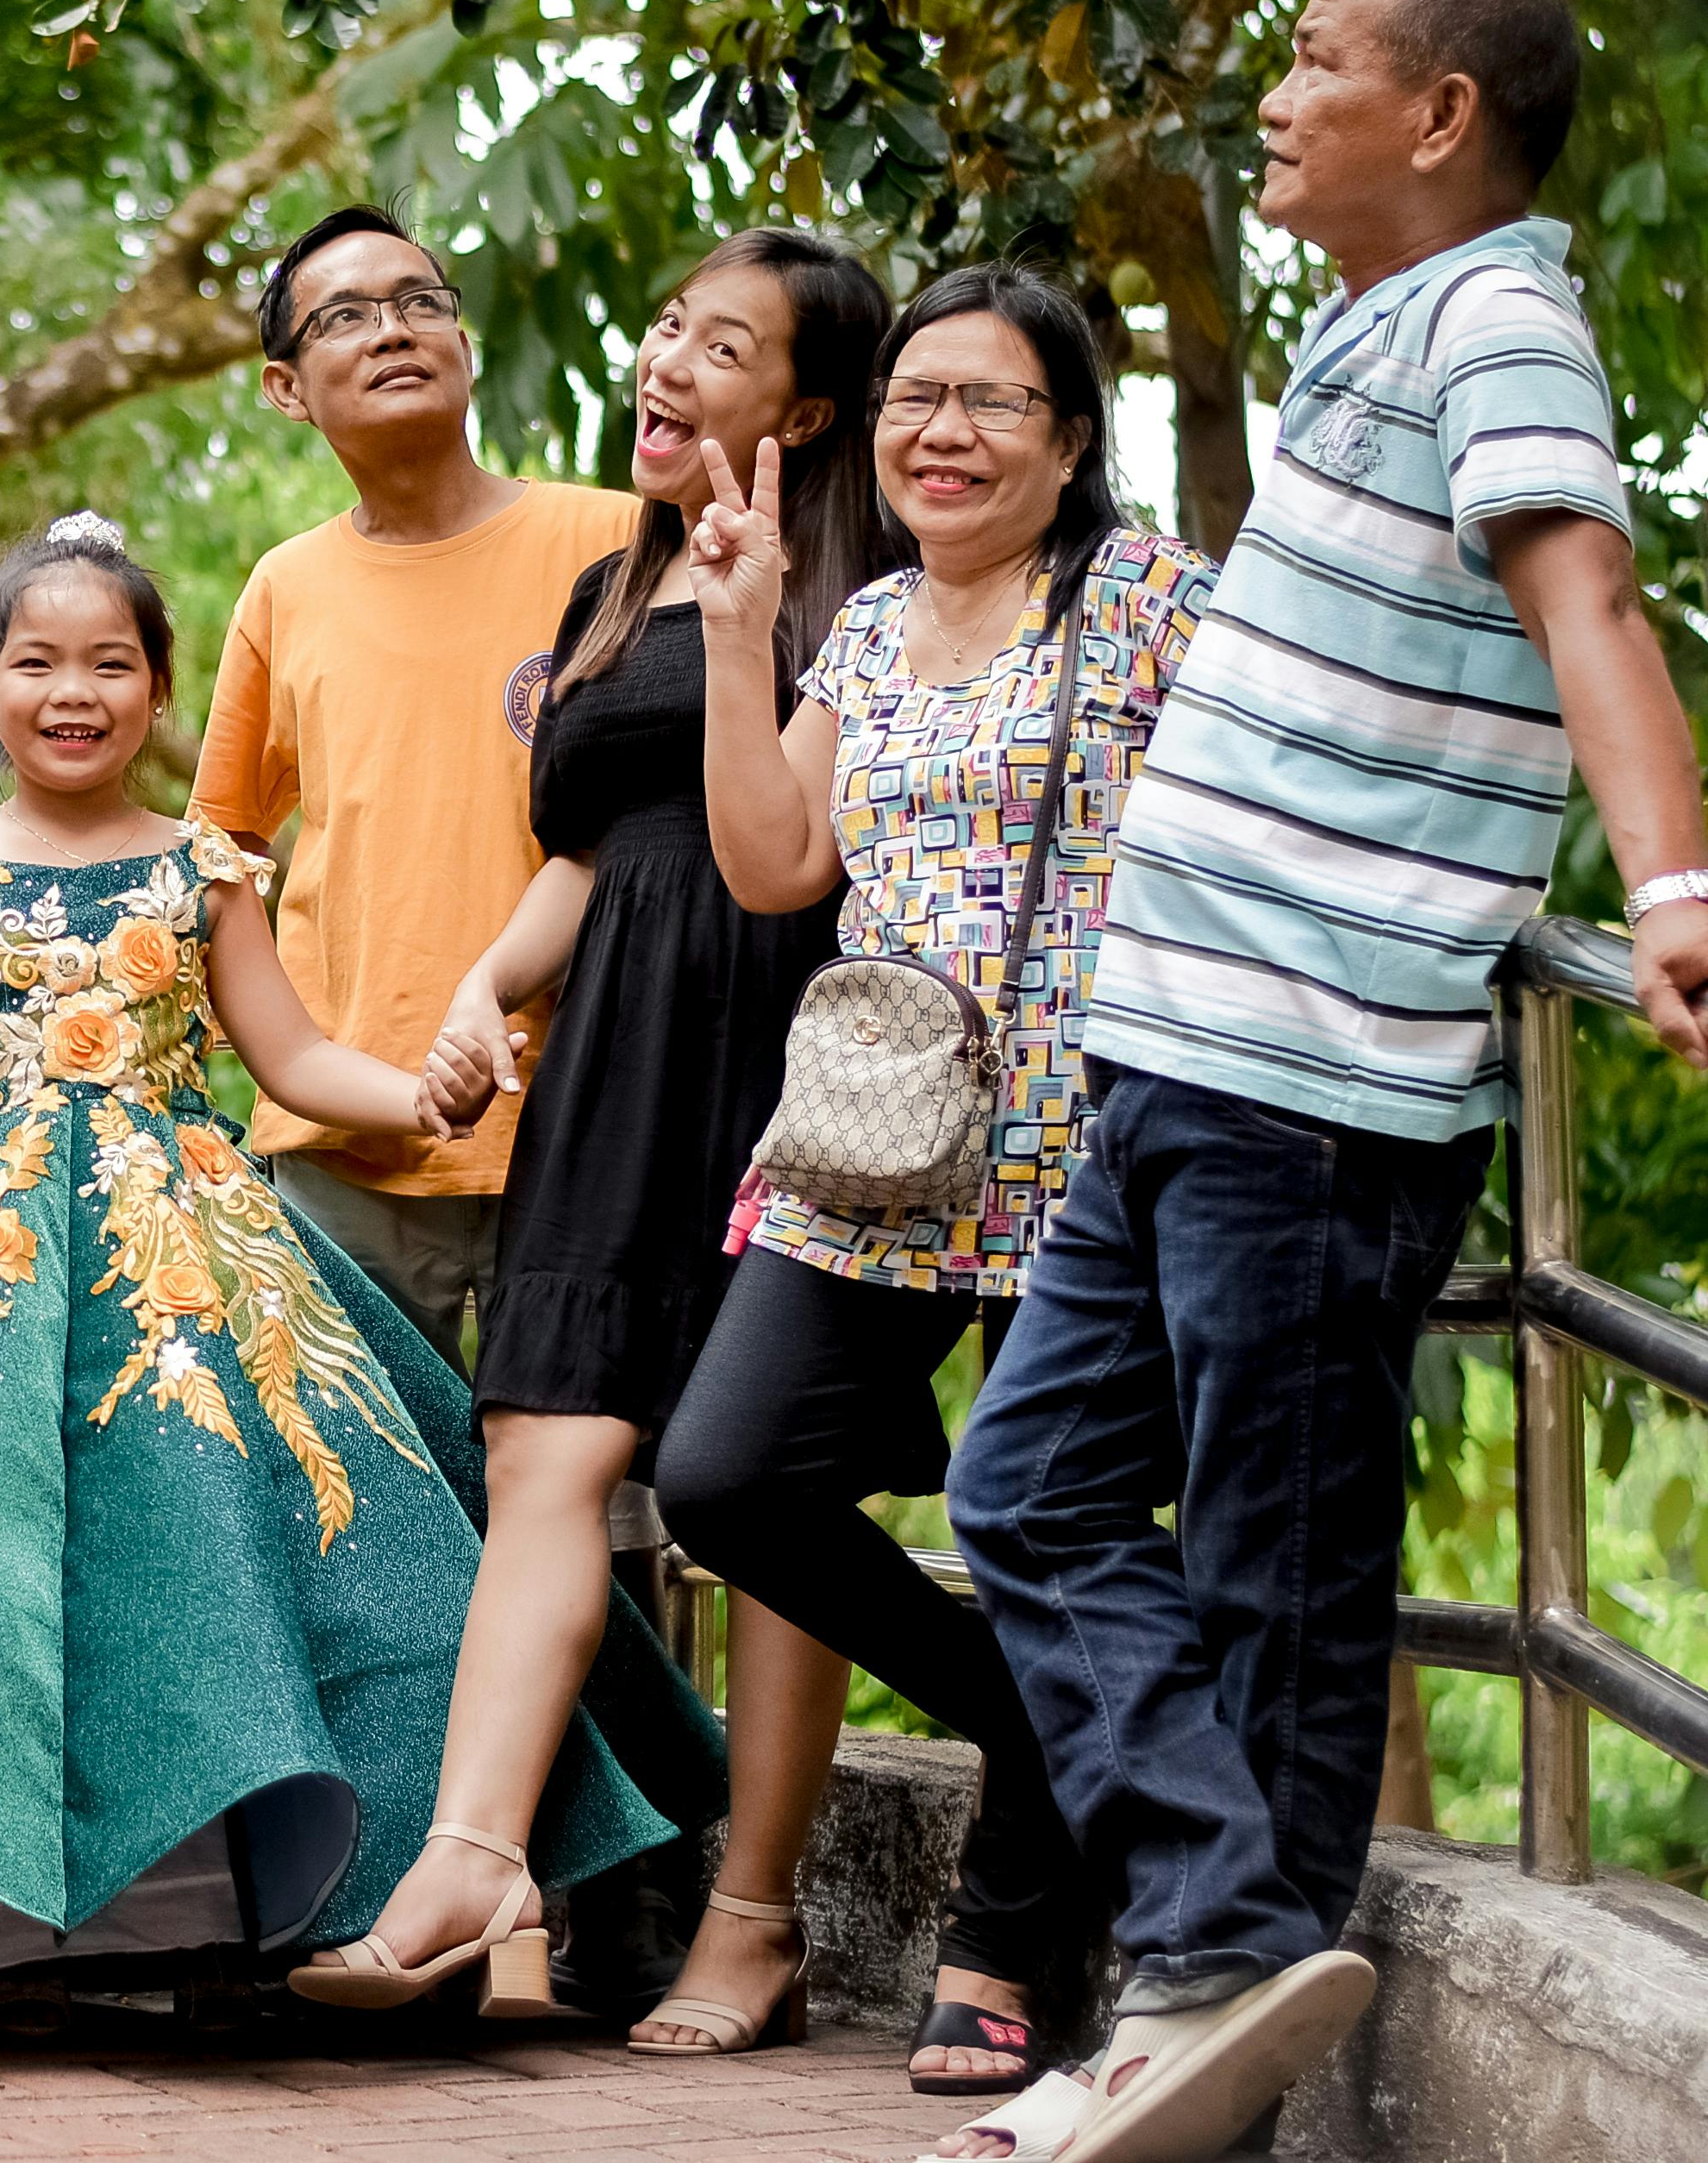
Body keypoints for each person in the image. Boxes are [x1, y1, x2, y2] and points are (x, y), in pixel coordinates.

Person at [947, 0, 1708, 2163]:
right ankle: (1208, 1948)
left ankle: (1212, 2049)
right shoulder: (1380, 326)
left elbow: (1592, 600)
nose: (1272, 98)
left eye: (1314, 61)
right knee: (1028, 1490)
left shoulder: (1500, 317)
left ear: (1440, 115)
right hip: (1182, 1055)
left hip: (1311, 1080)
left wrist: (1670, 891)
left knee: (1279, 1605)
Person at [0, 516, 716, 2022]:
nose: (71, 692)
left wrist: (417, 1096)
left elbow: (286, 1054)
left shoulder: (205, 865)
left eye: (110, 664)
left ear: (158, 691)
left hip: (183, 1254)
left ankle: (226, 1910)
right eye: (35, 663)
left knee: (233, 1551)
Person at [641, 266, 1213, 2101]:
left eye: (989, 403)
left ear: (1067, 438)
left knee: (1052, 1536)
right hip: (879, 1136)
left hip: (1093, 1146)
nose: (940, 433)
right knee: (724, 1476)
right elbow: (770, 864)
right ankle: (1069, 1712)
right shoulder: (866, 625)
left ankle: (998, 1944)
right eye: (912, 399)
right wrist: (740, 641)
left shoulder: (1144, 601)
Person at [364, 234, 895, 2028]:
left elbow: (795, 845)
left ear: (805, 410)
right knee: (541, 1451)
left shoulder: (860, 591)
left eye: (720, 346)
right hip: (608, 1048)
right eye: (668, 328)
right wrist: (478, 991)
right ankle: (470, 1859)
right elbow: (591, 848)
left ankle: (752, 1919)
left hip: (782, 1039)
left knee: (768, 1497)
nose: (666, 362)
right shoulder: (616, 582)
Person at [192, 206, 644, 1365]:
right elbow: (218, 843)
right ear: (286, 389)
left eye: (419, 302)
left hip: (587, 1117)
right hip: (347, 1142)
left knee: (600, 1522)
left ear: (464, 341)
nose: (393, 331)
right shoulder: (285, 589)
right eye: (345, 317)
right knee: (359, 1520)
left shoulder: (621, 545)